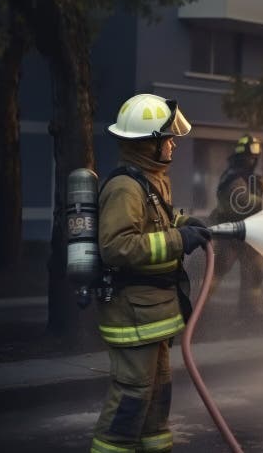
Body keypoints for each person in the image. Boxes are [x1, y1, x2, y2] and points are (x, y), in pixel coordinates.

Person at [91, 94, 211, 453]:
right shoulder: (124, 187)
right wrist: (178, 239)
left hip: (153, 313)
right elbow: (117, 246)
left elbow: (155, 222)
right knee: (131, 401)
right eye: (167, 138)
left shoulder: (151, 179)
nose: (173, 143)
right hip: (133, 315)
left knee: (156, 401)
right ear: (149, 142)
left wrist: (183, 223)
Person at [209, 134, 263, 314]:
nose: (253, 161)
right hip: (229, 236)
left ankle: (250, 309)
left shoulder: (253, 179)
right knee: (215, 273)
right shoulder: (233, 178)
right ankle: (195, 310)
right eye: (251, 158)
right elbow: (241, 201)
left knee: (254, 273)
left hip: (248, 236)